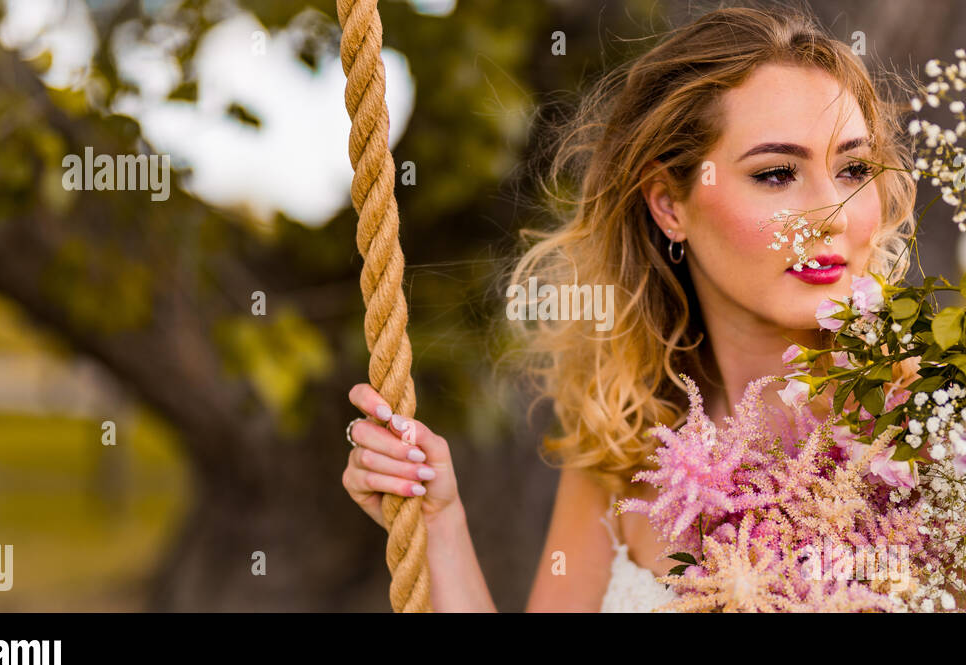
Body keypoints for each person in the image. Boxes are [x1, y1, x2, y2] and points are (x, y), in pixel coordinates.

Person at [341, 4, 918, 612]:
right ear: (670, 204)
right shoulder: (625, 449)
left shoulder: (926, 431)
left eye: (854, 167)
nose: (833, 212)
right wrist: (439, 527)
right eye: (777, 174)